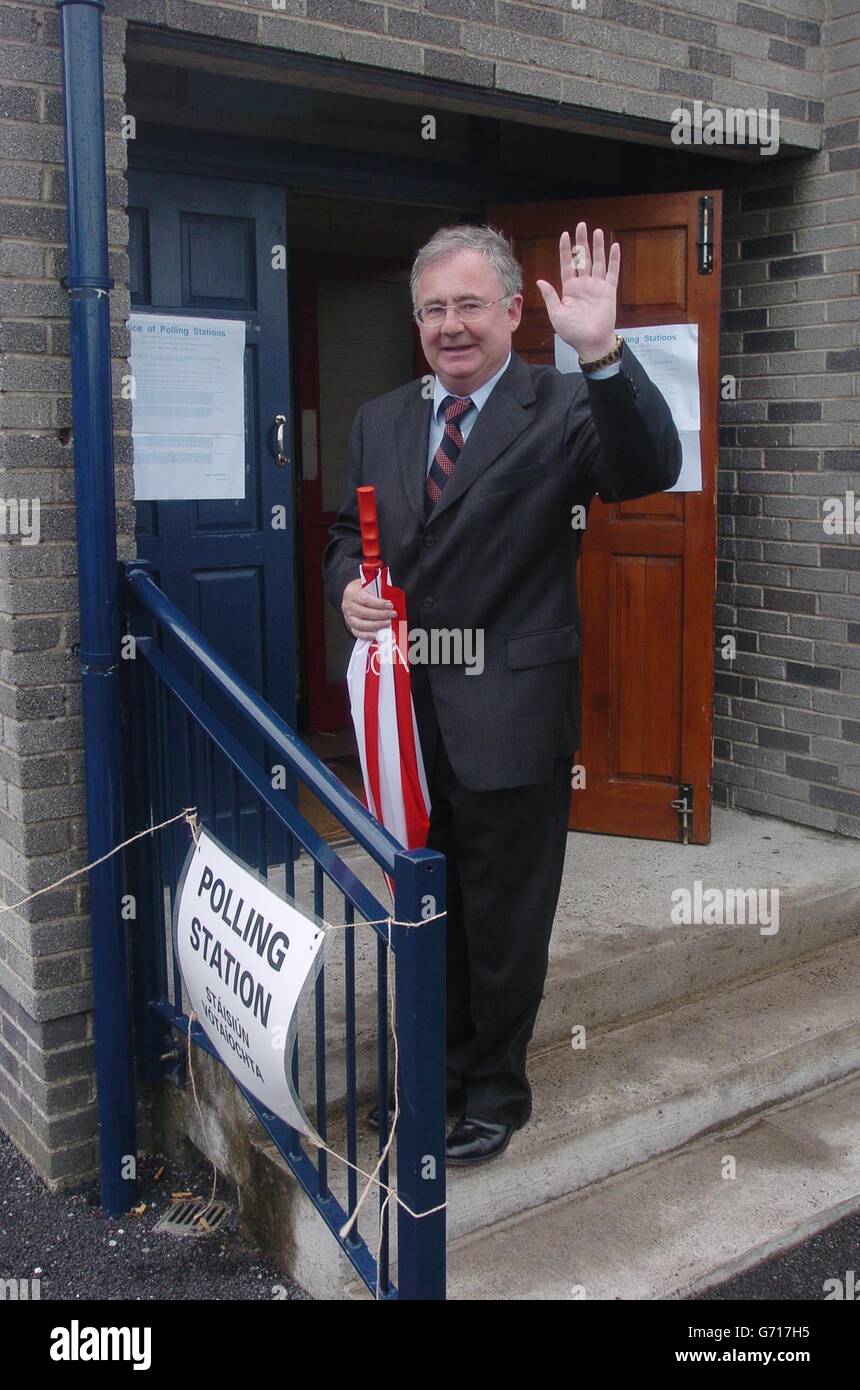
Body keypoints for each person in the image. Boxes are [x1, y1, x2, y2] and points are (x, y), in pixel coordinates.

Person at [323, 223, 682, 1165]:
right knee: (423, 905)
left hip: (511, 714)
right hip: (407, 721)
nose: (451, 326)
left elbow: (649, 467)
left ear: (515, 313)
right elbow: (340, 537)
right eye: (434, 308)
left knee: (504, 919)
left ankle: (494, 1091)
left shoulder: (563, 405)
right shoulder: (382, 420)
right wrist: (347, 590)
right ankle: (429, 1081)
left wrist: (602, 351)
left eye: (470, 304)